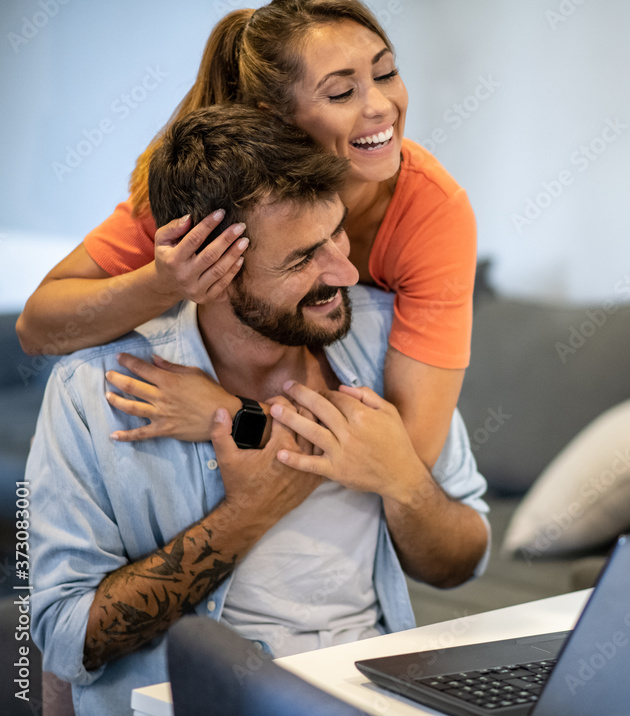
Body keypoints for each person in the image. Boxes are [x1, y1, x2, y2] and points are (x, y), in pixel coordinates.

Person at [28, 103, 489, 716]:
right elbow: (62, 639)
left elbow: (464, 562)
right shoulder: (94, 393)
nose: (346, 271)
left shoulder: (385, 345)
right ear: (211, 270)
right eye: (302, 259)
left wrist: (405, 483)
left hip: (373, 697)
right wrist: (248, 512)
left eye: (338, 233)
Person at [15, 0, 475, 468]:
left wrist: (234, 417)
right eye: (341, 93)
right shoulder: (211, 190)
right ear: (273, 117)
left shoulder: (432, 210)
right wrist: (164, 283)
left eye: (386, 73)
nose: (381, 107)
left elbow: (411, 457)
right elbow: (37, 329)